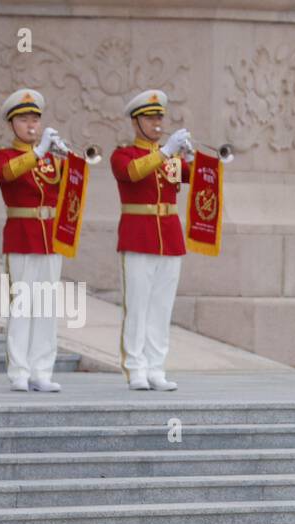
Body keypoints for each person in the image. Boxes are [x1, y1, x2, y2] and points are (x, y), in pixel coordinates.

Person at [109, 89, 192, 391]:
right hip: (139, 235)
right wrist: (168, 151)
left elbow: (192, 179)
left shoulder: (169, 157)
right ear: (136, 122)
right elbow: (132, 173)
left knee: (161, 307)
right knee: (138, 306)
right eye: (150, 118)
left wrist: (195, 161)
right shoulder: (124, 154)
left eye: (159, 117)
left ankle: (156, 367)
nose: (157, 123)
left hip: (168, 236)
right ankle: (135, 367)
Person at [0, 88, 64, 392]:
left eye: (35, 118)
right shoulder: (3, 154)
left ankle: (41, 369)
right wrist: (38, 151)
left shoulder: (51, 159)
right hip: (21, 233)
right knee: (21, 305)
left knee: (46, 306)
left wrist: (63, 156)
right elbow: (7, 174)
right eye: (24, 119)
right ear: (12, 124)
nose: (31, 125)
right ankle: (19, 370)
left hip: (50, 236)